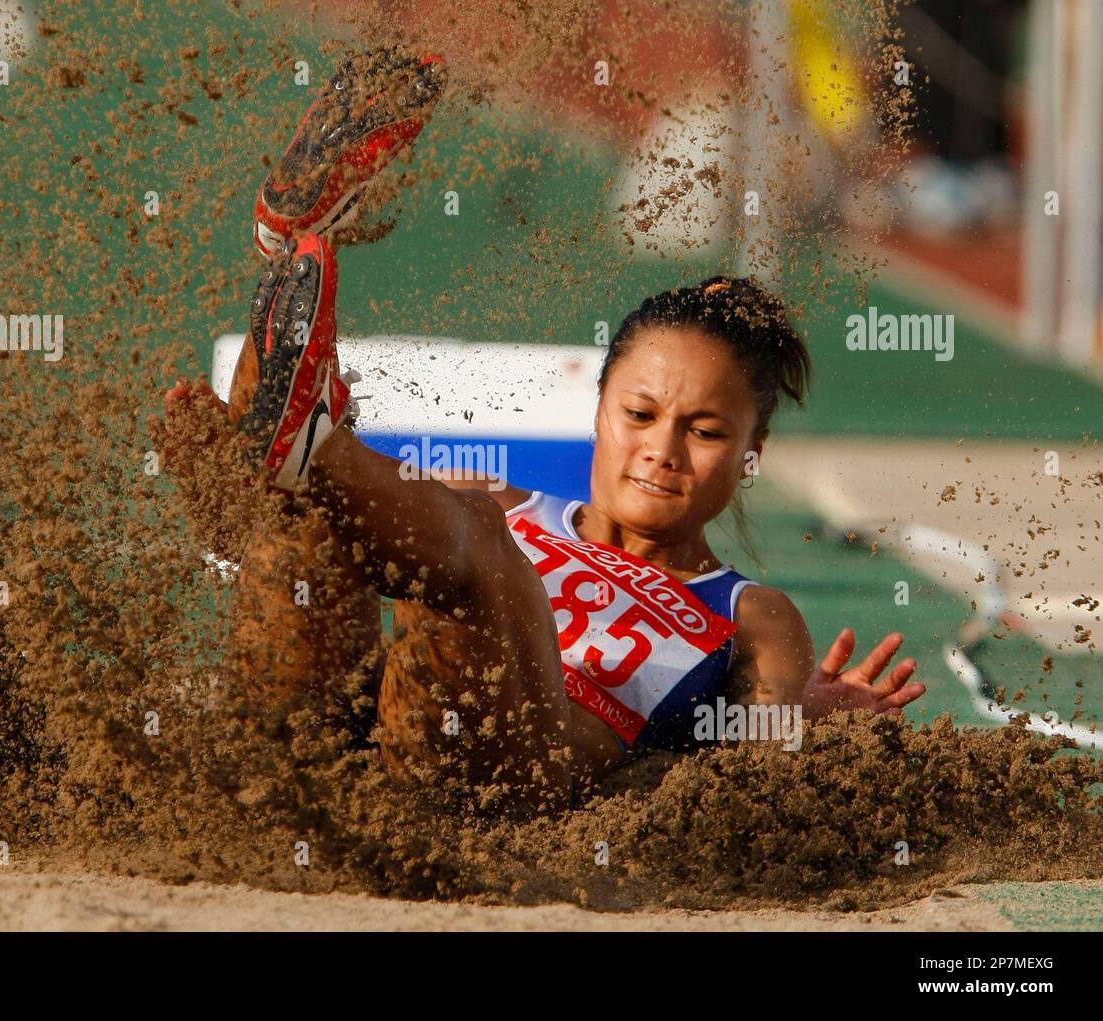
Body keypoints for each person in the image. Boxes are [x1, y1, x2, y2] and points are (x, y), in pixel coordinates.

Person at [160, 47, 925, 812]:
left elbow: (752, 780)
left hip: (506, 782)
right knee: (328, 520)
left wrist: (809, 724)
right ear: (599, 411)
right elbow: (269, 561)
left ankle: (308, 432)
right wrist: (231, 505)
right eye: (640, 415)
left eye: (705, 432)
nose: (662, 449)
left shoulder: (751, 611)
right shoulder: (504, 497)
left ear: (750, 456)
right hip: (340, 743)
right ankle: (293, 292)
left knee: (480, 542)